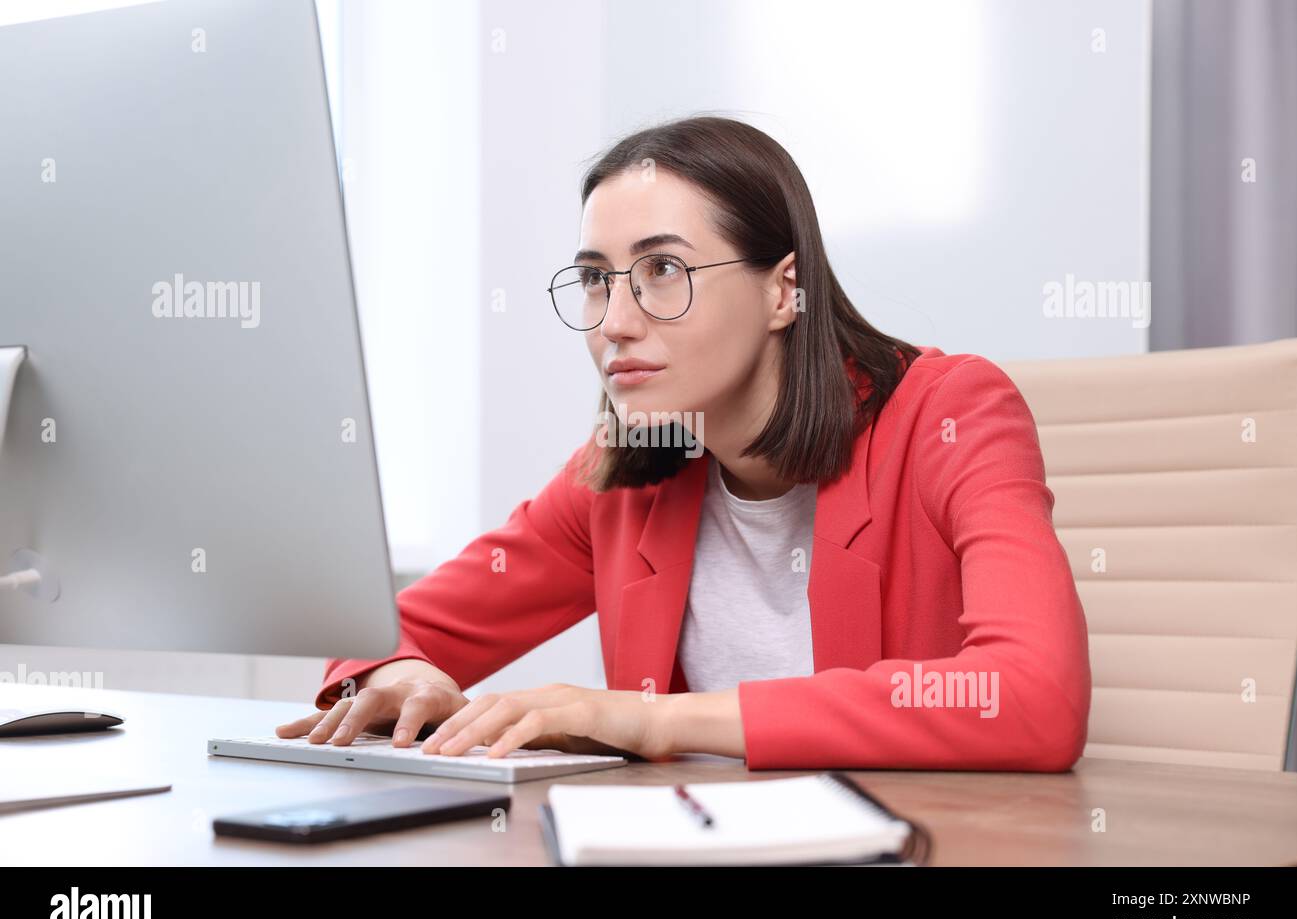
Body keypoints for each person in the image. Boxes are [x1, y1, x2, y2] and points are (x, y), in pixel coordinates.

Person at [276, 115, 1091, 771]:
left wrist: (644, 718)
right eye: (597, 279)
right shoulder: (620, 472)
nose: (615, 323)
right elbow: (378, 624)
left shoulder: (952, 415)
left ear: (784, 288)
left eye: (663, 270)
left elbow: (1032, 695)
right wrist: (400, 670)